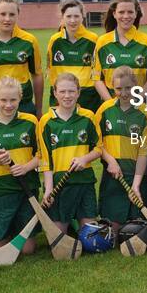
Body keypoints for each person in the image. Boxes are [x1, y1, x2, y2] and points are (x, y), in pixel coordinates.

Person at [0, 76, 41, 256]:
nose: (8, 105)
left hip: (27, 187)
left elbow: (41, 155)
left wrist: (26, 167)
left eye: (13, 100)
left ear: (20, 98)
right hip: (0, 190)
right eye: (3, 100)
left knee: (28, 249)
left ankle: (11, 229)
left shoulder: (31, 122)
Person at [94, 66, 147, 235]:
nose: (124, 93)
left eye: (128, 88)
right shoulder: (104, 110)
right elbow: (97, 143)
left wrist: (136, 185)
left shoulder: (146, 113)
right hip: (113, 174)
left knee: (136, 229)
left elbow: (144, 152)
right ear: (112, 88)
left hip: (138, 174)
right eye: (118, 89)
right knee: (112, 231)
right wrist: (111, 161)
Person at [38, 73, 102, 234]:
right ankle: (70, 223)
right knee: (59, 241)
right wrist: (48, 189)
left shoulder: (88, 117)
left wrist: (84, 159)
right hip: (60, 184)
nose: (67, 96)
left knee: (90, 237)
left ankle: (76, 223)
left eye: (72, 91)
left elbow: (99, 148)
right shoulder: (46, 122)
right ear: (55, 93)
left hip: (84, 181)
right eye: (63, 91)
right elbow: (45, 159)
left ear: (79, 92)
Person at [92, 0, 147, 101]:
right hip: (111, 106)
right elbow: (96, 78)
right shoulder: (102, 42)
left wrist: (137, 100)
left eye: (130, 12)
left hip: (138, 106)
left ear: (136, 13)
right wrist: (111, 104)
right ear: (114, 14)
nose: (126, 16)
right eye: (121, 12)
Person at [46, 0, 101, 112]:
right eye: (69, 16)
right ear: (62, 17)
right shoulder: (55, 40)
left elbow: (98, 72)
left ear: (82, 17)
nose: (72, 20)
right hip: (62, 97)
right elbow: (52, 72)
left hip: (88, 98)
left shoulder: (93, 39)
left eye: (76, 16)